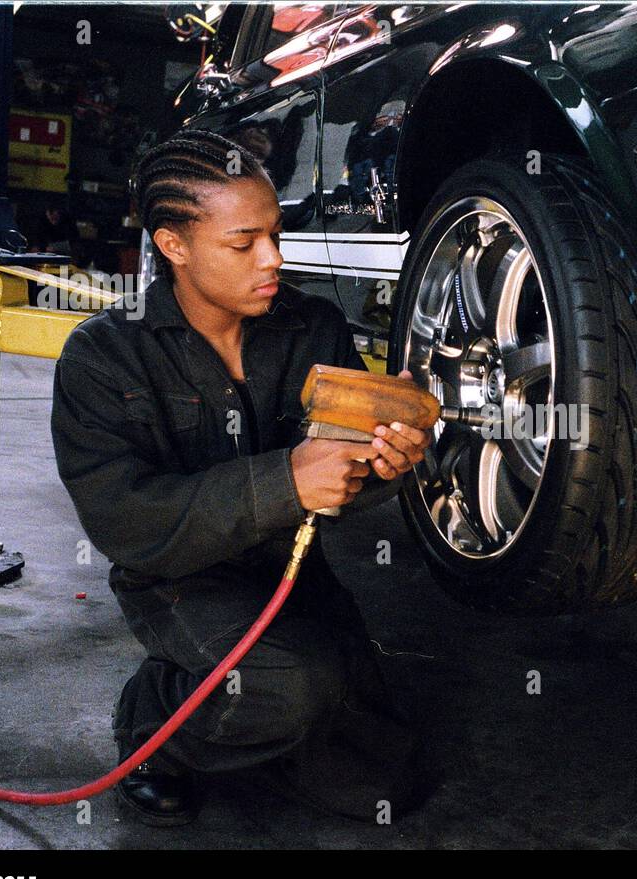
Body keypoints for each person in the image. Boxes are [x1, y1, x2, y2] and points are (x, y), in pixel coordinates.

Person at [50, 129, 430, 827]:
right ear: (174, 245)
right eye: (243, 242)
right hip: (176, 578)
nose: (274, 259)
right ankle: (152, 724)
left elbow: (339, 483)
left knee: (384, 780)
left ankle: (248, 710)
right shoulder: (102, 356)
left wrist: (388, 460)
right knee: (289, 690)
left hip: (289, 569)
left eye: (276, 234)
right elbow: (123, 520)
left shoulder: (311, 326)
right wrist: (286, 480)